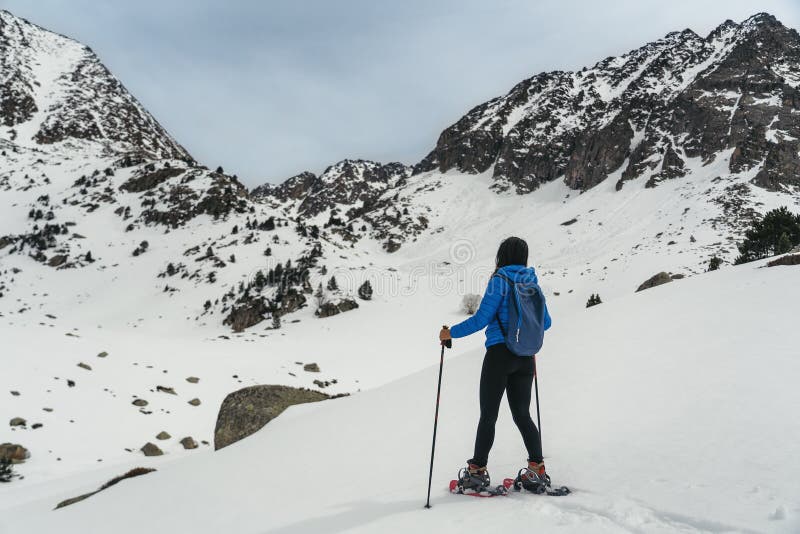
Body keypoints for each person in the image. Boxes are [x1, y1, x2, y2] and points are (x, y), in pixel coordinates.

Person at [439, 236, 552, 492]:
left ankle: (476, 473)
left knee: (488, 416)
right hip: (525, 357)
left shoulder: (499, 280)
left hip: (500, 355)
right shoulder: (532, 282)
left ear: (501, 255)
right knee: (523, 415)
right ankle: (536, 471)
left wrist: (450, 333)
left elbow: (480, 320)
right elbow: (546, 323)